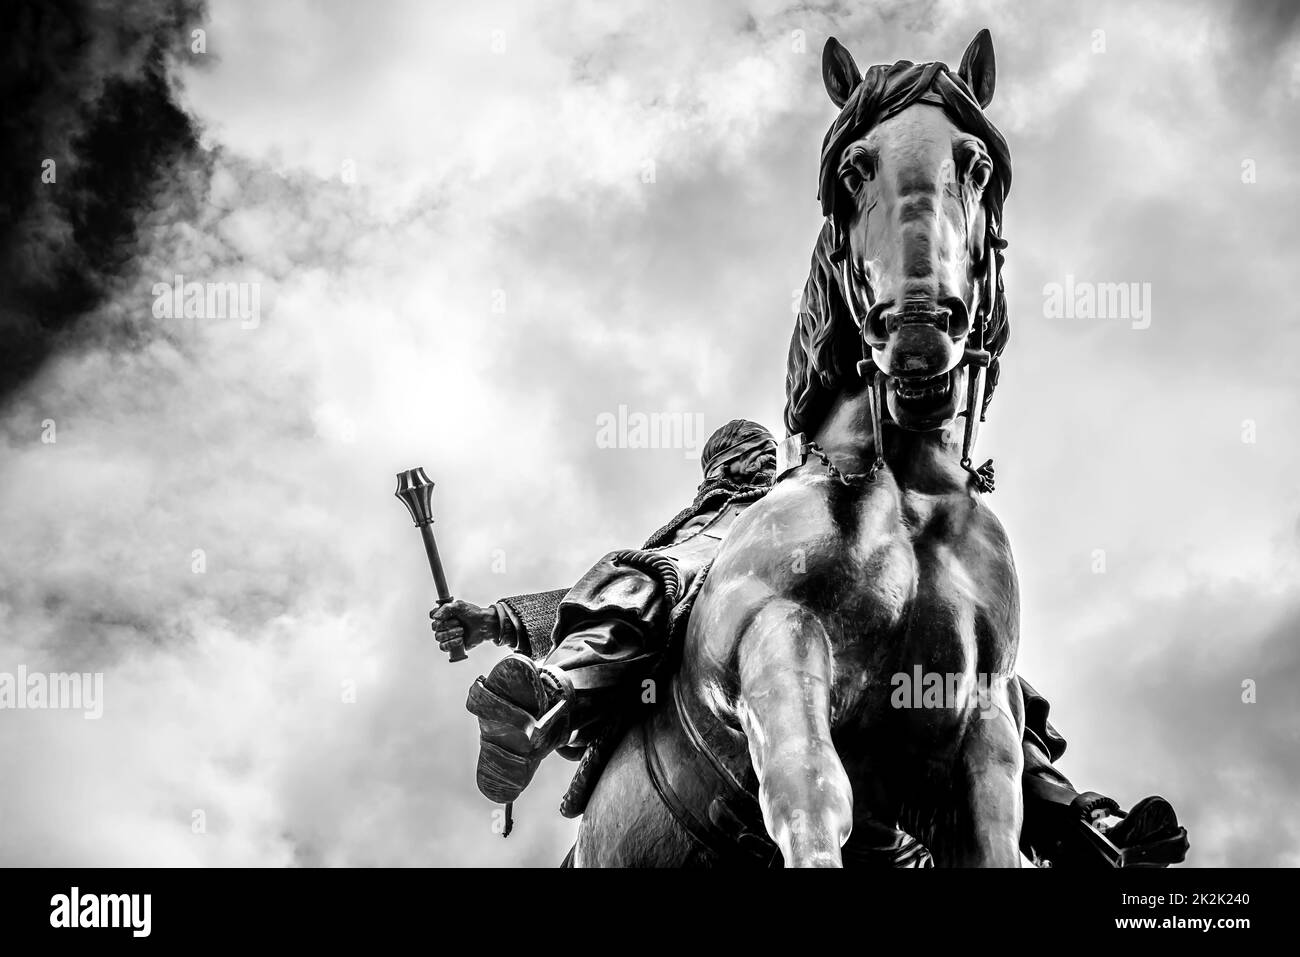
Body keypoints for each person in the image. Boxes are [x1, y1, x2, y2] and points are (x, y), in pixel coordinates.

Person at [433, 419, 1187, 867]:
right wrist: (495, 618)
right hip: (714, 593)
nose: (751, 463)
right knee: (642, 579)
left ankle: (1073, 822)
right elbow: (573, 590)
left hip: (834, 621)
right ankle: (554, 696)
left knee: (983, 678)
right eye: (736, 457)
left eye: (759, 453)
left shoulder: (816, 489)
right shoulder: (706, 521)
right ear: (714, 472)